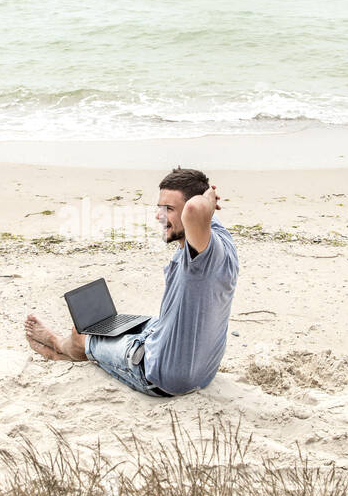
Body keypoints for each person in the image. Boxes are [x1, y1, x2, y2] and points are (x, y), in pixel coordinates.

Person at [24, 167, 239, 397]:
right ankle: (110, 342)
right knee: (121, 324)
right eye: (159, 208)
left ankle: (60, 347)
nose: (159, 216)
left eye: (169, 209)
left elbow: (196, 209)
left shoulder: (203, 258)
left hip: (165, 375)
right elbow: (198, 212)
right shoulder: (219, 236)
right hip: (200, 367)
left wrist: (207, 196)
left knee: (81, 335)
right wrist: (204, 196)